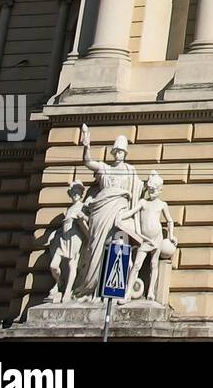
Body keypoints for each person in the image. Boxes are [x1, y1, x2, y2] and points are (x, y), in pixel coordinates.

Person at [74, 126, 141, 300]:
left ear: (125, 153)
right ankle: (90, 287)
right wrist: (87, 146)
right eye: (116, 151)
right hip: (101, 211)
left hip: (119, 211)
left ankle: (113, 290)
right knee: (95, 248)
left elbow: (136, 192)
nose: (118, 154)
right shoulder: (105, 168)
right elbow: (88, 162)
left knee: (118, 246)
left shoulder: (130, 171)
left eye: (121, 151)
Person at [118, 172, 178, 302]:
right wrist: (120, 216)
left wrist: (171, 235)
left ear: (160, 190)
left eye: (154, 190)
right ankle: (128, 293)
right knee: (136, 265)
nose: (151, 192)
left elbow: (169, 221)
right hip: (144, 239)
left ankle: (150, 291)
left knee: (154, 264)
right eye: (150, 190)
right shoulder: (143, 202)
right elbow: (131, 212)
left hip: (157, 238)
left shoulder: (162, 204)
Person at [46, 180, 87, 303]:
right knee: (53, 265)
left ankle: (68, 290)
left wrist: (82, 216)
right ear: (70, 193)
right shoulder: (68, 209)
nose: (76, 193)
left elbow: (88, 220)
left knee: (72, 264)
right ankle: (60, 283)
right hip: (64, 238)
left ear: (81, 193)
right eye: (74, 191)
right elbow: (64, 225)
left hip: (75, 238)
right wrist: (54, 234)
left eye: (78, 191)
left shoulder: (83, 206)